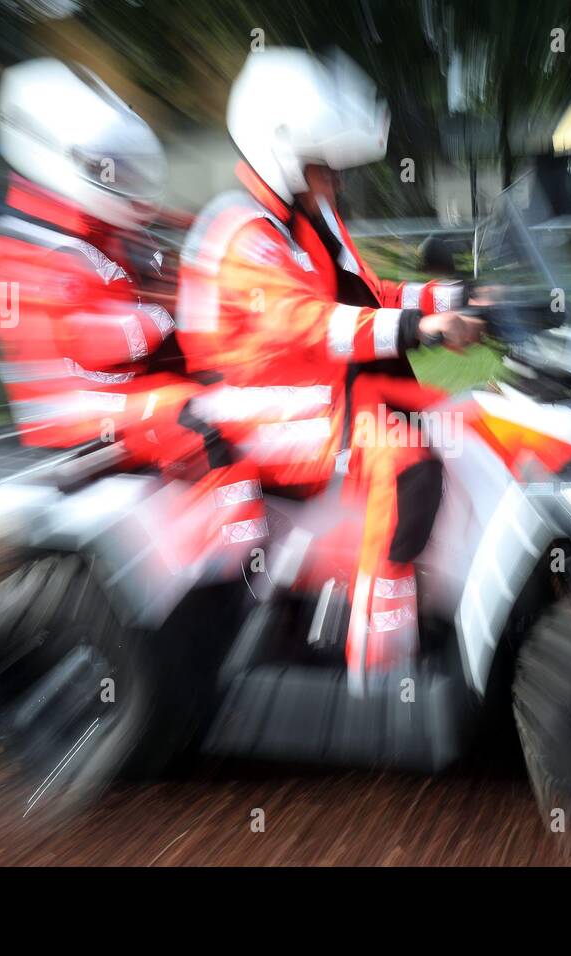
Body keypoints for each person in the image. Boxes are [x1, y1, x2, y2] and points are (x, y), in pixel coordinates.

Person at [177, 49, 482, 693]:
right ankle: (379, 665)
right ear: (285, 155)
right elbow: (310, 322)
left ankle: (445, 605)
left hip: (315, 394)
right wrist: (418, 330)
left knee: (469, 424)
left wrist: (456, 300)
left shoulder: (311, 220)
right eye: (326, 168)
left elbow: (368, 293)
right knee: (410, 470)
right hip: (245, 407)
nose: (337, 183)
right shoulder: (245, 231)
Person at [0, 58, 264, 542]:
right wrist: (165, 313)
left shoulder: (102, 231)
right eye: (114, 169)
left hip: (124, 396)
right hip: (73, 410)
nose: (127, 181)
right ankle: (240, 567)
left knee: (256, 397)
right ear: (56, 152)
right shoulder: (13, 248)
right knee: (206, 419)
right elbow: (84, 337)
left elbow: (183, 260)